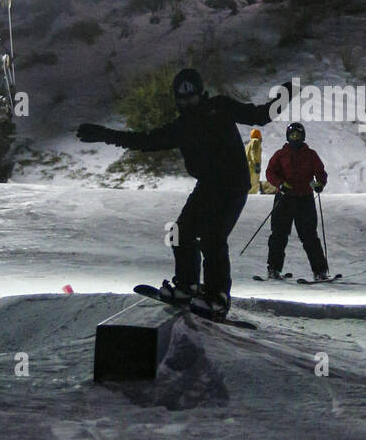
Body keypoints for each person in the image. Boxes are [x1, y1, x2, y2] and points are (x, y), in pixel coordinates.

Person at [76, 68, 292, 319]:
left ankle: (217, 297)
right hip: (208, 185)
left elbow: (261, 115)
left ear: (202, 94)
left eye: (192, 98)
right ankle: (187, 286)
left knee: (212, 238)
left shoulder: (220, 107)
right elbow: (145, 141)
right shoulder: (182, 126)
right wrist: (105, 135)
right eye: (182, 100)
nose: (188, 104)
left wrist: (286, 95)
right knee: (181, 231)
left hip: (232, 185)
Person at [264, 122, 329, 280]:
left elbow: (320, 173)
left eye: (298, 135)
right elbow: (270, 172)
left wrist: (320, 184)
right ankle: (273, 269)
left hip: (304, 199)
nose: (295, 138)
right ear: (288, 137)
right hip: (284, 199)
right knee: (279, 234)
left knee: (309, 236)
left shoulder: (310, 154)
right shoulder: (280, 154)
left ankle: (320, 271)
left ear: (303, 137)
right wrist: (280, 183)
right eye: (292, 135)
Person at [245, 128, 264, 194]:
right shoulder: (255, 141)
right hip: (253, 167)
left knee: (249, 184)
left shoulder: (249, 143)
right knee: (253, 185)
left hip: (249, 166)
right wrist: (257, 163)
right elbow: (254, 152)